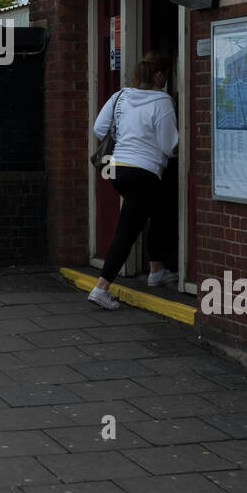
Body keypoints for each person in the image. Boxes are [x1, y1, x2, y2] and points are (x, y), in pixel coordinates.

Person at [89, 50, 179, 310]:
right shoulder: (162, 101)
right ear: (159, 74)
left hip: (116, 169)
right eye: (166, 74)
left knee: (158, 212)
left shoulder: (120, 96)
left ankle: (156, 269)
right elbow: (167, 145)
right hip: (143, 173)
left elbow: (99, 128)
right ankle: (101, 288)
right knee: (127, 231)